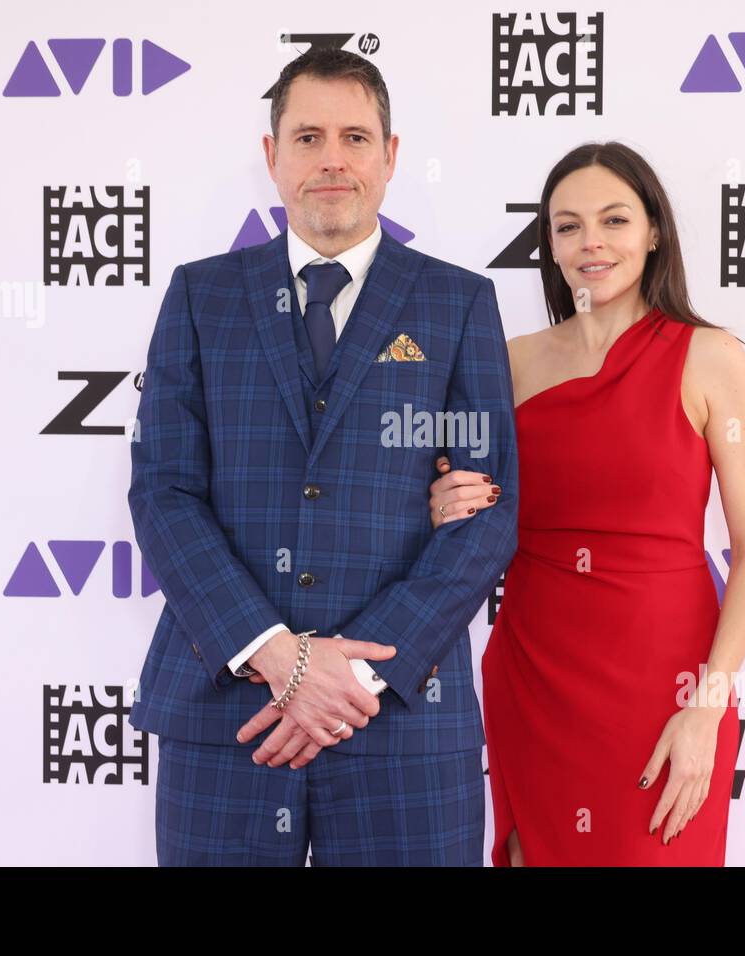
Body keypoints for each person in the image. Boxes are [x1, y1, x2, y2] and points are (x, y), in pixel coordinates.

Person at [127, 47, 518, 866]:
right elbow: (164, 492)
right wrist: (278, 656)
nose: (332, 159)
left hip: (403, 720)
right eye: (307, 137)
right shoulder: (202, 297)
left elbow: (485, 517)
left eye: (354, 136)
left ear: (391, 156)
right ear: (271, 157)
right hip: (227, 714)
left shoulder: (458, 303)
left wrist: (353, 678)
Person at [429, 142, 745, 866]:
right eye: (567, 226)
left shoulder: (711, 357)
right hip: (534, 675)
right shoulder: (512, 360)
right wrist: (448, 500)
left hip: (665, 685)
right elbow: (477, 506)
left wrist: (704, 711)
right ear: (548, 245)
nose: (592, 243)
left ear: (653, 231)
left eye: (614, 220)